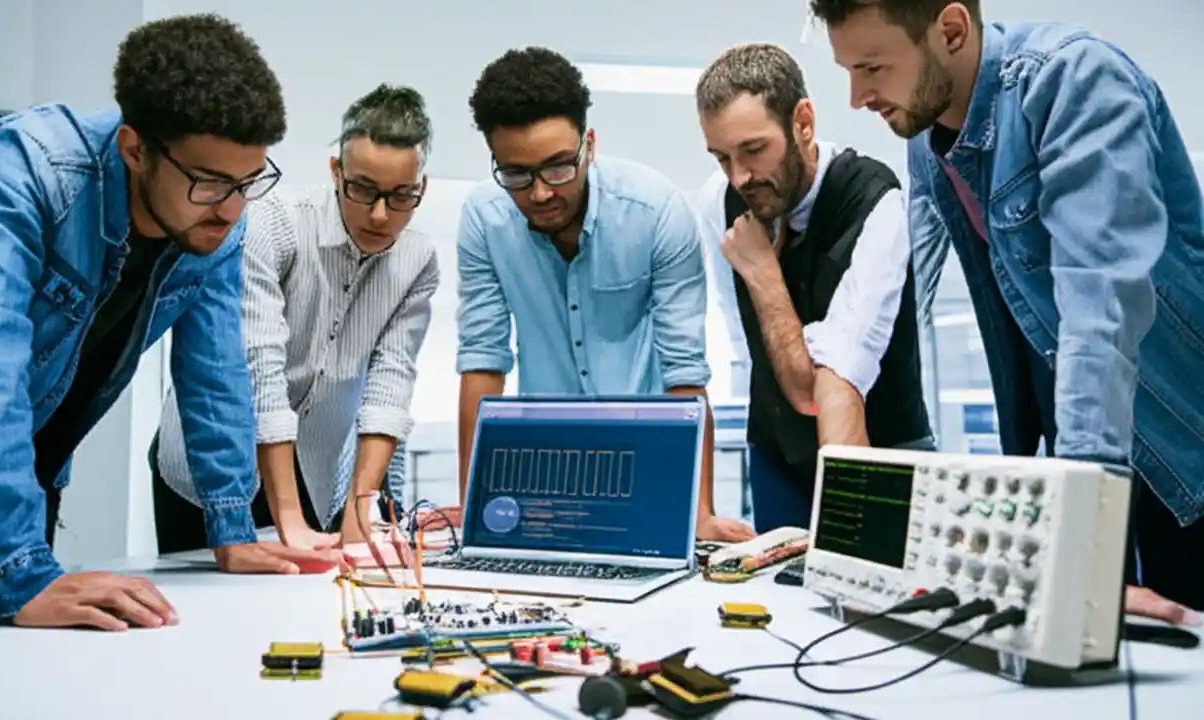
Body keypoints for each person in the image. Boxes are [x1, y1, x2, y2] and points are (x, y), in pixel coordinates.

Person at [0, 13, 340, 631]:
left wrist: (231, 525)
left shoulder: (216, 225)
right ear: (134, 149)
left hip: (19, 480)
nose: (231, 209)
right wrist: (18, 570)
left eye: (248, 181)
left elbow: (217, 372)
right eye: (209, 181)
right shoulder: (20, 171)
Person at [811, 0, 1204, 621]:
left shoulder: (1073, 81)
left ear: (951, 30)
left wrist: (1081, 540)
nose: (858, 96)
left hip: (1176, 439)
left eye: (873, 67)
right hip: (1074, 449)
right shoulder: (927, 138)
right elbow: (903, 288)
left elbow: (1099, 308)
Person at [424, 46, 754, 543]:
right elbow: (482, 364)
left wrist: (700, 512)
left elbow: (684, 372)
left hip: (649, 457)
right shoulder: (485, 220)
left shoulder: (656, 211)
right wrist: (475, 504)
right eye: (516, 174)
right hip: (544, 467)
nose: (539, 193)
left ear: (589, 145)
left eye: (558, 167)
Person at [151, 84, 437, 554]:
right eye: (362, 189)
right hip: (205, 468)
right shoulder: (274, 223)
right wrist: (286, 515)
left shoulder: (418, 260)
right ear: (335, 171)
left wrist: (359, 509)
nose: (380, 214)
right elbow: (259, 369)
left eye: (401, 196)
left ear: (421, 187)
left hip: (310, 472)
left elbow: (390, 386)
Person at [694, 42, 934, 533]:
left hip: (882, 450)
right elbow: (751, 352)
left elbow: (810, 391)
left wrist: (763, 273)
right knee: (778, 604)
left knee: (873, 598)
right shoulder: (718, 201)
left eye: (754, 150)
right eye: (722, 158)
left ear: (803, 122)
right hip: (777, 456)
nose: (739, 177)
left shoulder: (876, 201)